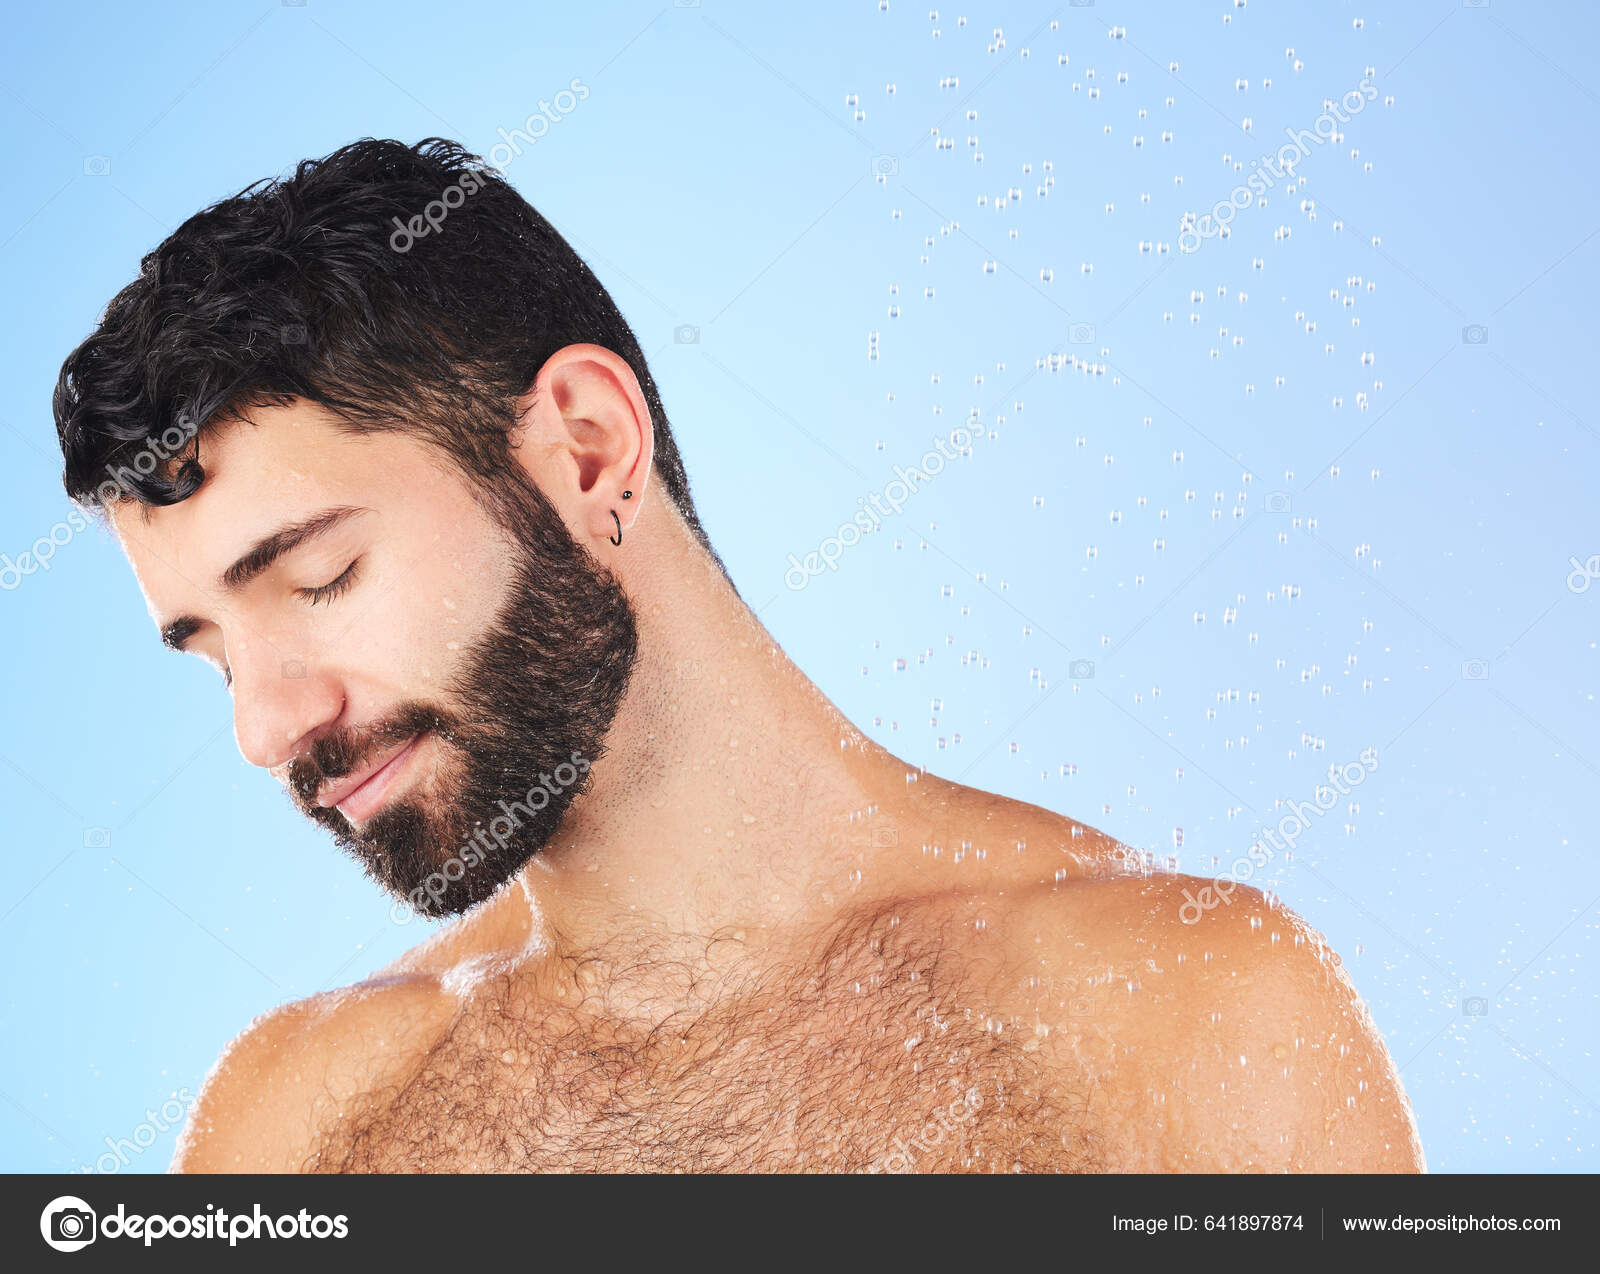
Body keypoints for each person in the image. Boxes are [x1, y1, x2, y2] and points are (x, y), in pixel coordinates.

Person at [52, 138, 1424, 1173]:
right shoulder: (291, 1124)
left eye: (317, 576)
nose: (269, 722)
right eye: (211, 653)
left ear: (589, 451)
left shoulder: (1185, 1012)